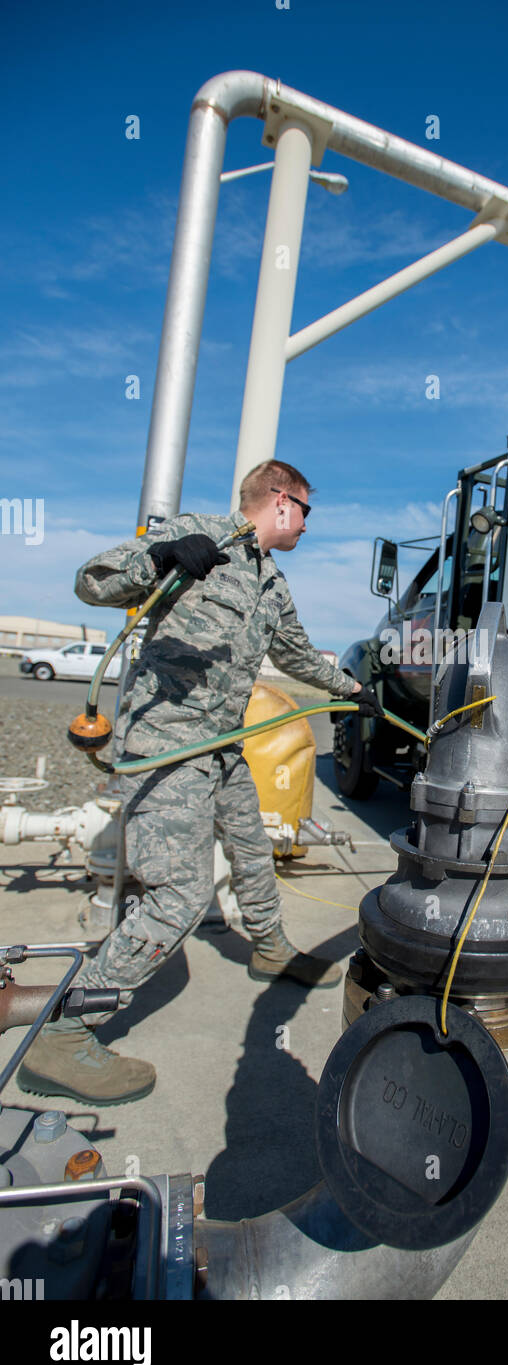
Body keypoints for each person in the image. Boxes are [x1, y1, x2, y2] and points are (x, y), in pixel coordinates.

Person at [18, 459, 382, 1105]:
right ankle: (66, 1030)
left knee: (251, 843)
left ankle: (269, 946)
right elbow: (92, 582)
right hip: (165, 747)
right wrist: (158, 559)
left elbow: (296, 652)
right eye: (306, 511)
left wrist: (355, 691)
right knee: (179, 897)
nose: (306, 524)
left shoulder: (271, 583)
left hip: (219, 747)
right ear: (280, 501)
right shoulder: (198, 535)